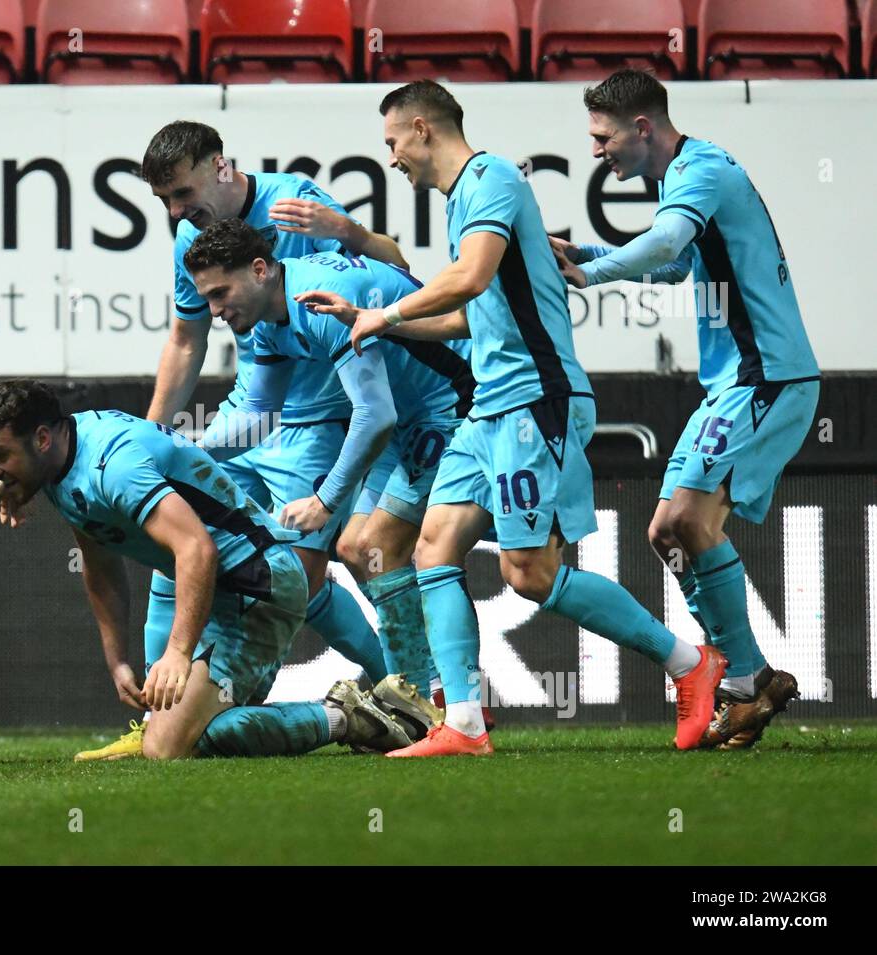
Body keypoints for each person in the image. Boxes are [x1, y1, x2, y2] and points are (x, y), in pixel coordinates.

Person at [301, 80, 723, 756]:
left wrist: (388, 312)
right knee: (433, 546)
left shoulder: (490, 178)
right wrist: (370, 323)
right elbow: (472, 312)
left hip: (537, 399)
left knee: (530, 572)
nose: (390, 159)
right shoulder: (462, 199)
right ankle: (463, 720)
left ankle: (689, 663)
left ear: (420, 127)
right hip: (490, 405)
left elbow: (468, 279)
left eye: (391, 143)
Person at [75, 120, 411, 760]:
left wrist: (354, 234)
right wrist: (151, 440)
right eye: (166, 202)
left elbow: (382, 282)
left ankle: (408, 695)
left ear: (221, 168)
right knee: (178, 522)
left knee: (299, 577)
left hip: (326, 418)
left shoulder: (296, 203)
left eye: (183, 193)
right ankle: (156, 717)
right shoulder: (189, 240)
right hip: (258, 412)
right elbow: (185, 339)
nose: (177, 213)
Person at [551, 69, 818, 748]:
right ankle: (749, 677)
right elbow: (673, 268)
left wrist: (591, 274)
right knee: (667, 532)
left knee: (684, 522)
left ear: (642, 128)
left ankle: (743, 680)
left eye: (602, 137)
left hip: (766, 377)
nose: (595, 152)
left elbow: (667, 246)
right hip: (737, 381)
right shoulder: (681, 178)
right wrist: (588, 253)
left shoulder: (701, 170)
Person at [0, 380, 418, 760]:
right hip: (230, 590)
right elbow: (99, 565)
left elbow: (196, 550)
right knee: (202, 733)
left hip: (258, 584)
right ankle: (366, 710)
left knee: (164, 746)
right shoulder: (61, 463)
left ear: (42, 439)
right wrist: (117, 660)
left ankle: (348, 716)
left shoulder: (113, 466)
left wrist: (179, 653)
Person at [184, 218, 478, 734]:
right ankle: (422, 699)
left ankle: (442, 700)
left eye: (220, 293)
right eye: (205, 298)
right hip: (412, 415)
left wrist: (324, 501)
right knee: (361, 549)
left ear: (258, 270)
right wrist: (184, 453)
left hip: (454, 402)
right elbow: (258, 415)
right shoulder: (274, 316)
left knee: (518, 569)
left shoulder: (318, 305)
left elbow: (375, 415)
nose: (213, 310)